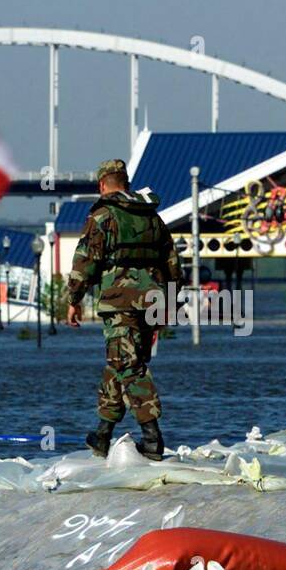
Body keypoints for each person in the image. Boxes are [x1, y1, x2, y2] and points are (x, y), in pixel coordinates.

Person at [65, 159, 181, 460]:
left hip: (120, 302)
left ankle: (152, 437)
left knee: (128, 366)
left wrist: (73, 299)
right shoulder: (153, 217)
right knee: (120, 363)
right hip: (153, 301)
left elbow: (85, 261)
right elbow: (173, 263)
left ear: (103, 185)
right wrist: (170, 299)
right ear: (125, 184)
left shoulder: (102, 216)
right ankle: (102, 434)